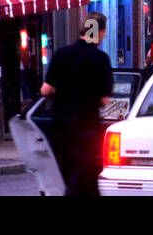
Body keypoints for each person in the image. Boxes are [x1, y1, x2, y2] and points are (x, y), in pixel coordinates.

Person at [41, 12, 113, 197]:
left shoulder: (61, 54)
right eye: (104, 33)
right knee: (86, 180)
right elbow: (105, 101)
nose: (104, 37)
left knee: (68, 176)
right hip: (88, 131)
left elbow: (45, 90)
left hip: (62, 130)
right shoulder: (101, 59)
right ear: (98, 32)